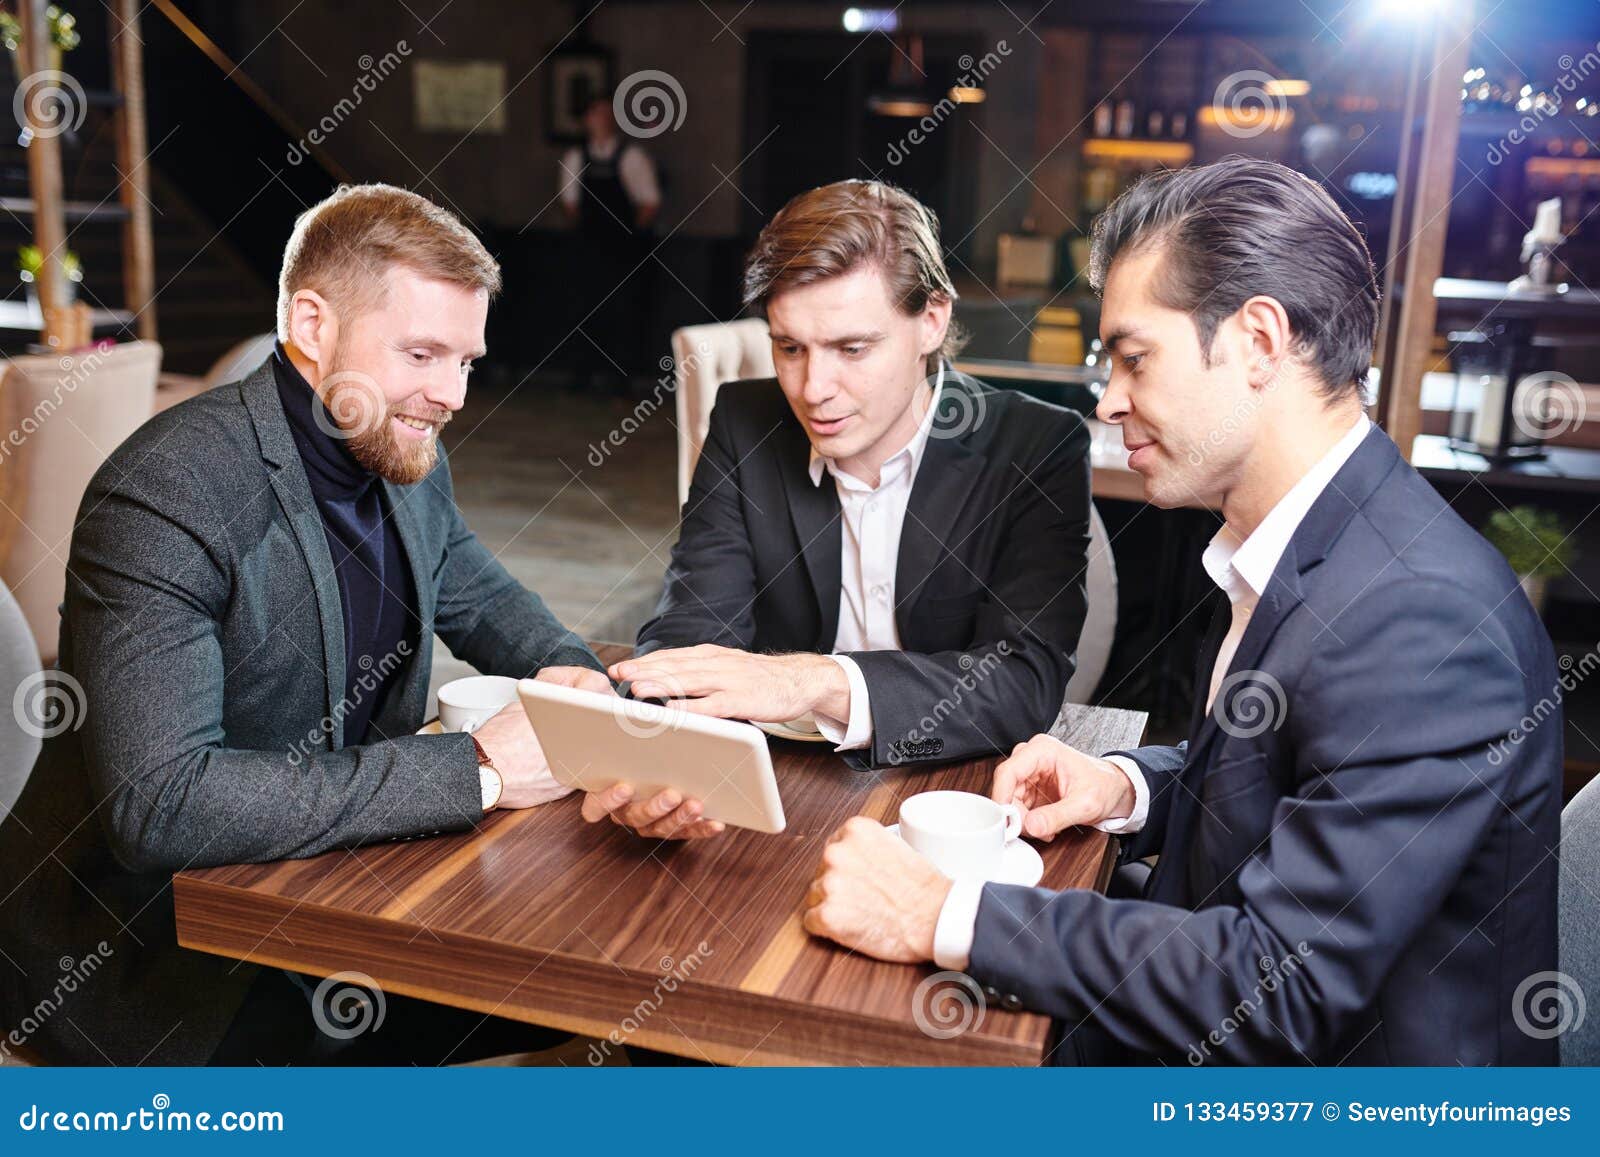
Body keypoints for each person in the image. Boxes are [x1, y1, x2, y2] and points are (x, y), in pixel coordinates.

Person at [802, 158, 1563, 1065]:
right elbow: (1291, 782)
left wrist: (939, 912)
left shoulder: (1416, 616)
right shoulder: (1316, 539)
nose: (1109, 397)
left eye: (1134, 357)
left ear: (1258, 341)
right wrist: (1128, 786)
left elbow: (1278, 990)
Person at [0, 184, 613, 1065]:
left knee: (631, 983)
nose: (451, 395)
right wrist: (476, 769)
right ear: (313, 326)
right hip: (155, 958)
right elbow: (161, 807)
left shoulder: (400, 452)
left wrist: (571, 674)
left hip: (331, 894)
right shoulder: (168, 490)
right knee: (584, 990)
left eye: (466, 361)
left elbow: (485, 598)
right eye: (423, 353)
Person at [582, 180, 1091, 840]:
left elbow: (1021, 681)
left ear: (931, 319)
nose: (813, 390)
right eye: (789, 348)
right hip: (769, 797)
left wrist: (817, 682)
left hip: (955, 802)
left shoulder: (1037, 445)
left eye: (852, 349)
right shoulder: (746, 421)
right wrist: (670, 752)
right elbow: (693, 625)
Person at [559, 92, 661, 395]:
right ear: (587, 120)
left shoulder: (632, 156)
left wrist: (628, 236)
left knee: (624, 312)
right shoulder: (576, 156)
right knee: (584, 309)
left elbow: (649, 202)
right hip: (588, 247)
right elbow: (570, 203)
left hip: (623, 250)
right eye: (595, 113)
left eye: (606, 113)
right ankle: (583, 376)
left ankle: (621, 380)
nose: (600, 120)